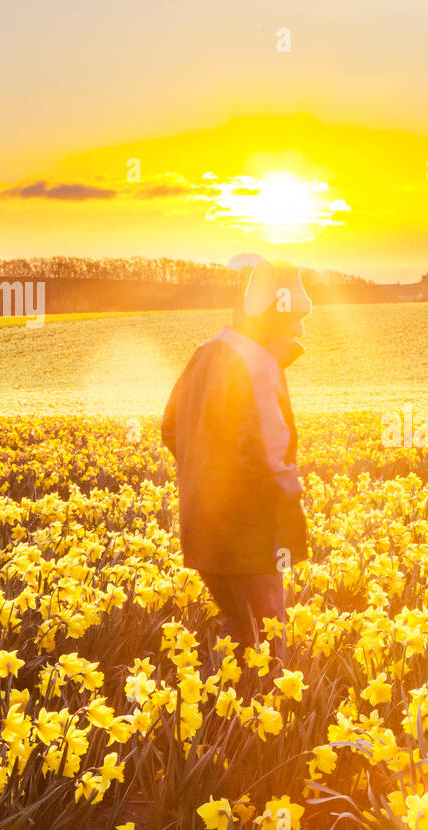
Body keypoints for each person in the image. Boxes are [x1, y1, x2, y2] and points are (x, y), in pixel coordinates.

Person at [161, 257, 310, 662]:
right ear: (275, 319)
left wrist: (206, 475)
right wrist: (290, 515)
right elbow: (273, 451)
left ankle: (226, 716)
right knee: (269, 641)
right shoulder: (258, 363)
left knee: (237, 632)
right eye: (297, 318)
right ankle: (271, 720)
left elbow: (170, 428)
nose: (301, 329)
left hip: (205, 530)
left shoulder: (204, 355)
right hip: (252, 532)